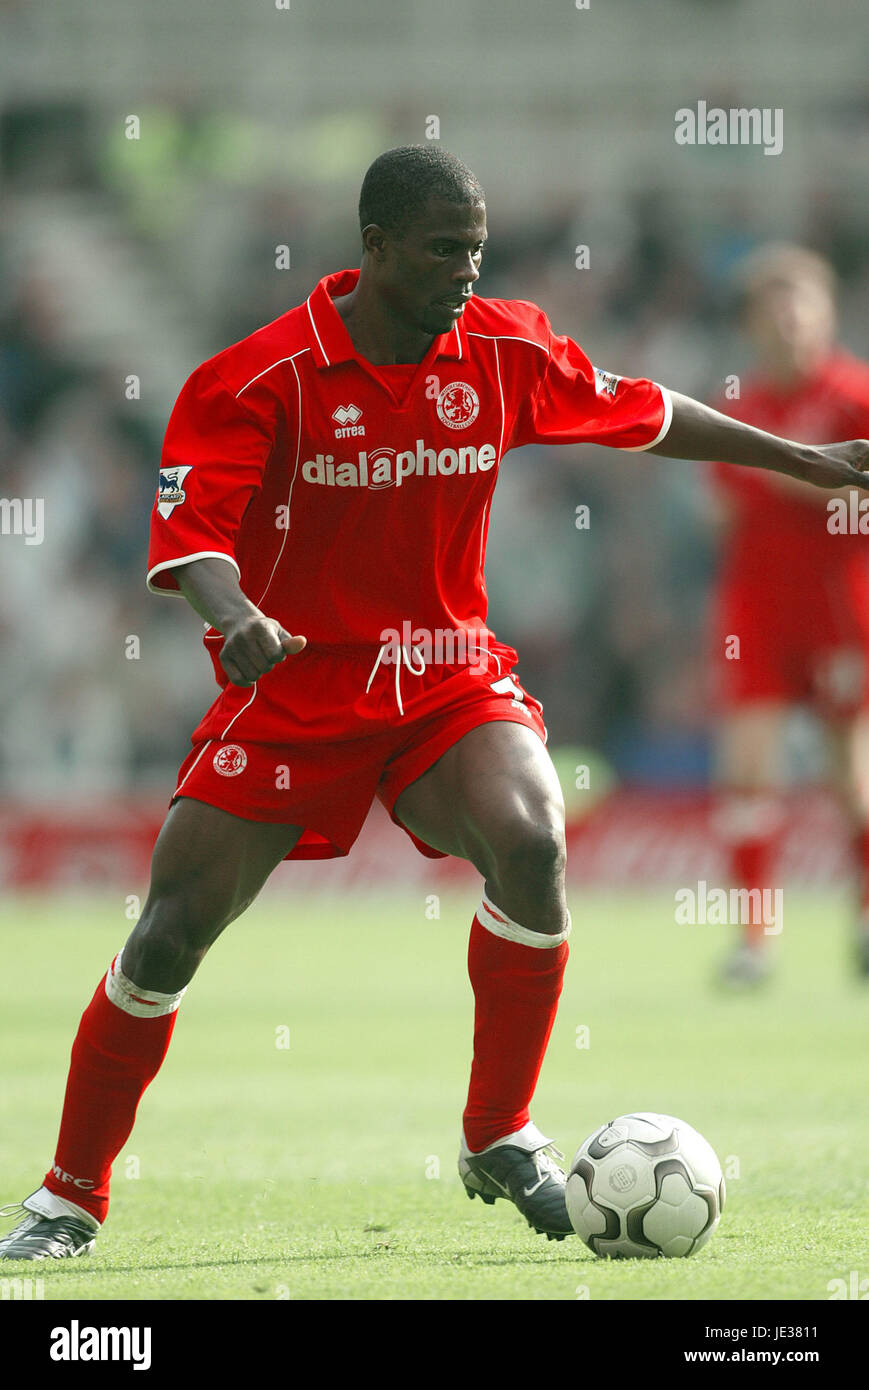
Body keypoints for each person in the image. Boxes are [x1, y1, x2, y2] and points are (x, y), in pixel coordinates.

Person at [3, 147, 868, 1262]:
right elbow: (192, 541)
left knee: (532, 839)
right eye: (442, 248)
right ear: (373, 249)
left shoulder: (502, 348)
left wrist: (805, 459)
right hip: (296, 687)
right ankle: (68, 1198)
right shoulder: (261, 377)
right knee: (169, 933)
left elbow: (645, 414)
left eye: (476, 245)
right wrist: (237, 620)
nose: (467, 267)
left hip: (443, 673)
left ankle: (499, 1132)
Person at [708, 244, 869, 985]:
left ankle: (863, 924)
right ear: (749, 325)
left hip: (844, 611)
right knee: (746, 774)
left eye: (797, 309)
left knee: (853, 778)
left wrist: (791, 476)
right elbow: (719, 506)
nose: (786, 326)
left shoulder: (855, 398)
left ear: (826, 315)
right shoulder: (738, 408)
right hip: (758, 615)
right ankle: (755, 942)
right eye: (770, 313)